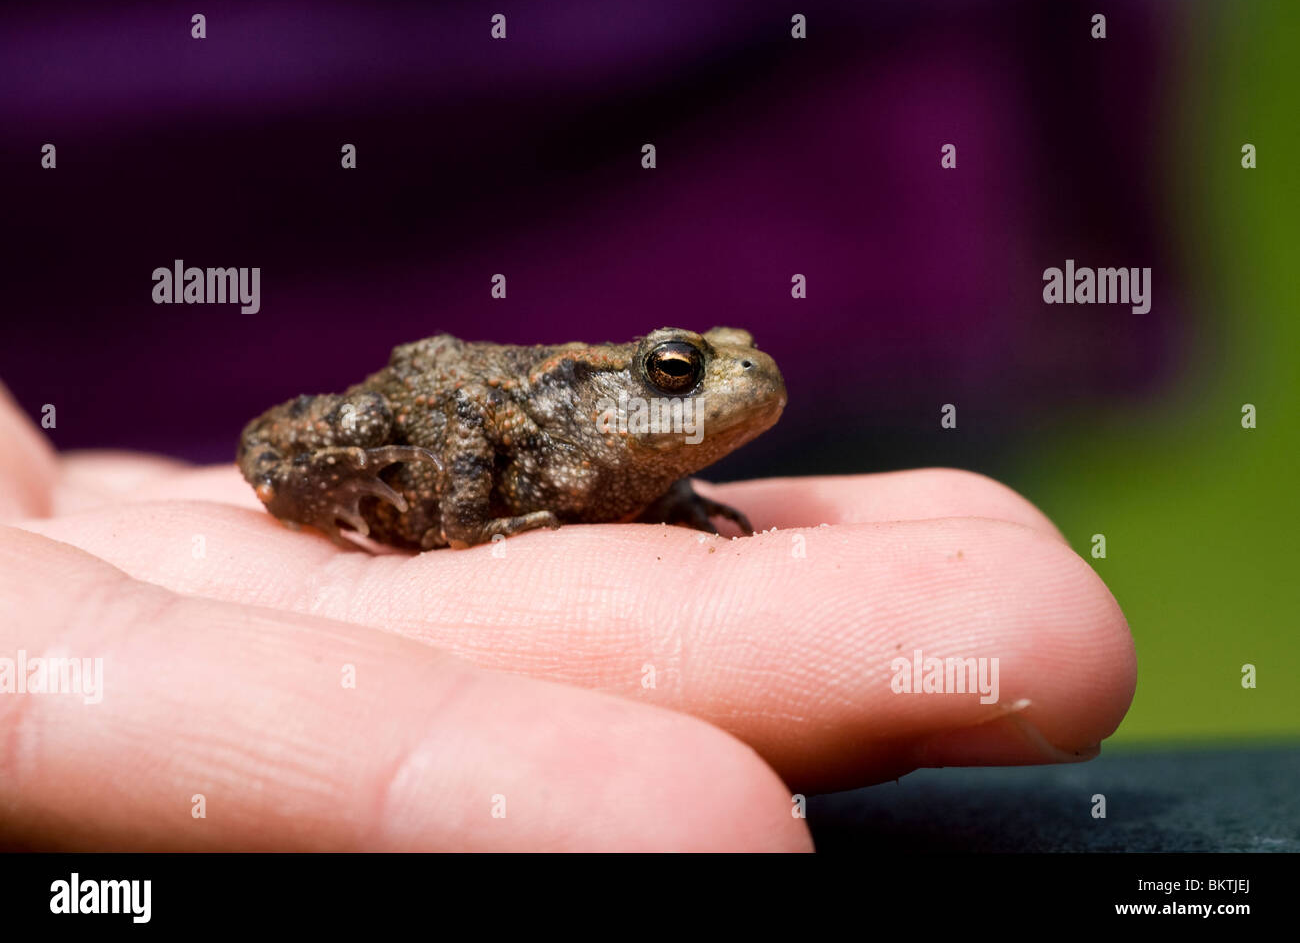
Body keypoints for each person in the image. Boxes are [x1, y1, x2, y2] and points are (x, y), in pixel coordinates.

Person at [0, 386, 1134, 851]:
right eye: (682, 372)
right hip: (338, 390)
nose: (725, 386)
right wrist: (448, 526)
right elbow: (462, 423)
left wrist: (674, 492)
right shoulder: (556, 413)